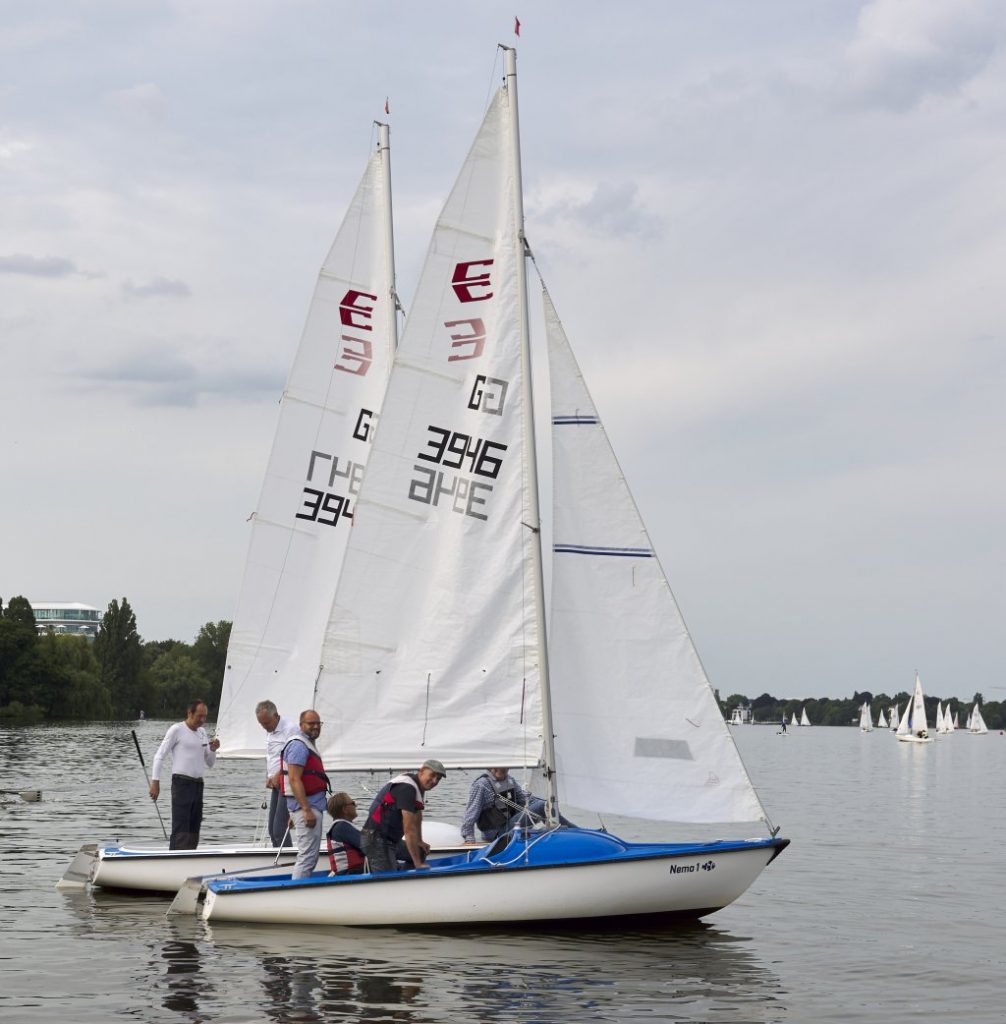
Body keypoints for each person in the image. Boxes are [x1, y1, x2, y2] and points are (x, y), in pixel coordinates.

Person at [149, 699, 220, 849]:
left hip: (198, 784)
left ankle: (190, 856)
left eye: (205, 717)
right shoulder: (177, 730)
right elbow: (159, 756)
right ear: (189, 713)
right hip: (182, 784)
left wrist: (213, 750)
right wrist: (155, 782)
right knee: (181, 826)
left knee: (194, 827)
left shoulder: (202, 732)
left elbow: (210, 763)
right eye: (199, 716)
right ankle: (174, 857)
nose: (202, 720)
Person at [360, 759, 446, 873]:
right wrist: (418, 864)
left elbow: (418, 813)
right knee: (389, 879)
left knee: (420, 851)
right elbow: (409, 830)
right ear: (421, 771)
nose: (434, 781)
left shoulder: (418, 785)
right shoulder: (407, 788)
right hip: (376, 840)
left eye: (438, 779)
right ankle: (398, 878)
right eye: (432, 775)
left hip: (391, 840)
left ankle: (405, 876)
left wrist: (419, 841)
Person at [460, 767, 575, 845]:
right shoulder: (482, 785)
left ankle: (565, 834)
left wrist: (548, 806)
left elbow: (525, 799)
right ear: (493, 769)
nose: (506, 773)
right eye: (503, 771)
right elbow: (471, 813)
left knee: (545, 806)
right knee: (542, 806)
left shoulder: (509, 779)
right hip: (497, 834)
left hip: (510, 825)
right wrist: (469, 838)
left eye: (506, 770)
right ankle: (576, 832)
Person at [280, 709, 330, 879]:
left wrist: (295, 812)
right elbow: (294, 779)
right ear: (301, 725)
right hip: (308, 808)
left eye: (318, 723)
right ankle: (296, 893)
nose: (316, 727)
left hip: (305, 807)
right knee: (307, 857)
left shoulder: (306, 744)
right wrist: (305, 809)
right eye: (311, 723)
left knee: (308, 856)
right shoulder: (299, 746)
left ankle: (298, 889)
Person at [255, 700, 299, 847]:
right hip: (276, 783)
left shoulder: (290, 729)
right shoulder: (270, 731)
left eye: (267, 723)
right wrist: (270, 776)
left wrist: (278, 774)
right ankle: (276, 857)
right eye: (261, 724)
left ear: (276, 716)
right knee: (272, 830)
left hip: (287, 782)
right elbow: (273, 756)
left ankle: (287, 862)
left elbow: (293, 757)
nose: (265, 727)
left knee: (279, 829)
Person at [325, 792, 366, 875]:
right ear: (344, 809)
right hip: (350, 874)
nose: (356, 806)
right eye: (353, 803)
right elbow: (368, 846)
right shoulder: (342, 827)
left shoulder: (340, 827)